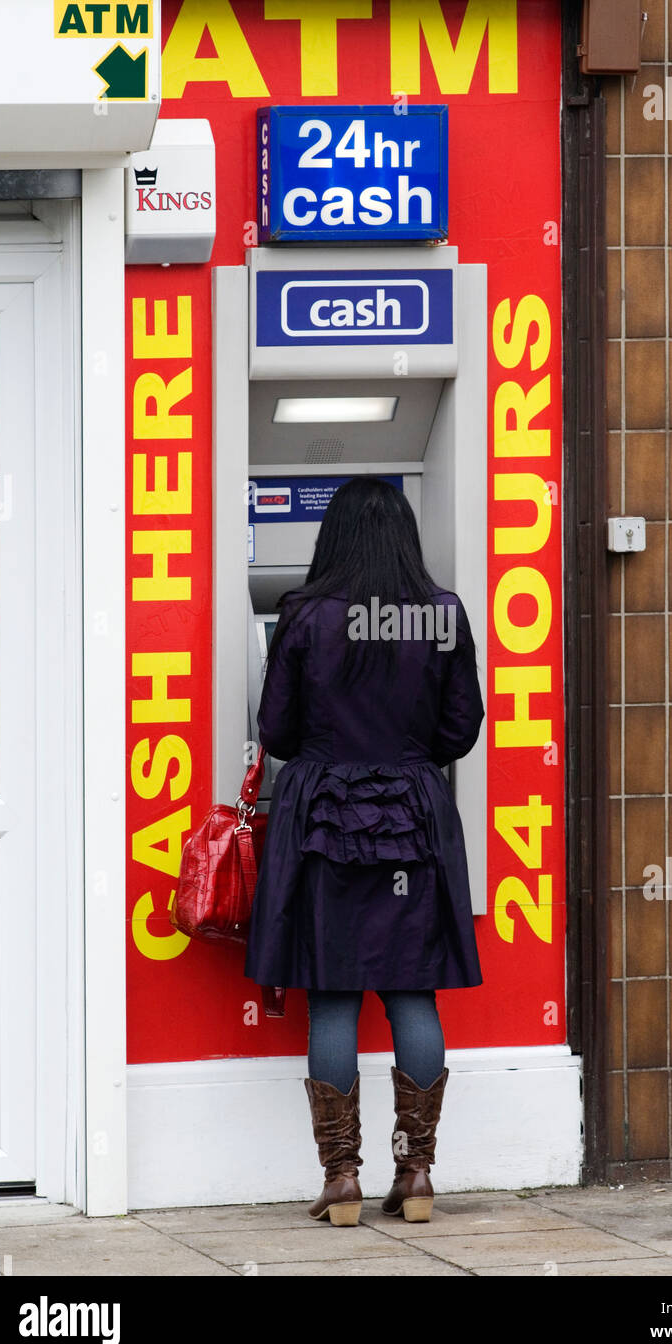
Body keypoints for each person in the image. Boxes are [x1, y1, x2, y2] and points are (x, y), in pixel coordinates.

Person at [244, 475, 484, 1227]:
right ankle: (415, 1174)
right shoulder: (442, 615)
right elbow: (460, 731)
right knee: (414, 992)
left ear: (333, 538)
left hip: (325, 818)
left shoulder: (304, 616)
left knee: (333, 992)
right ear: (405, 536)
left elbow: (276, 732)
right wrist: (405, 753)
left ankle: (341, 1180)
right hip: (411, 815)